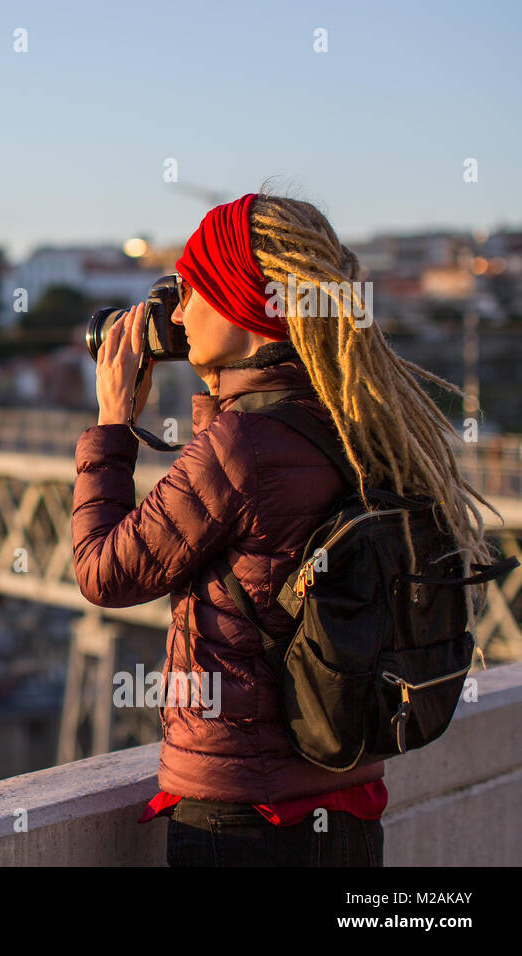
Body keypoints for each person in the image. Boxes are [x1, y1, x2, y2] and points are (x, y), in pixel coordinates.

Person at [72, 189, 494, 866]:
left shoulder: (243, 448)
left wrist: (113, 423)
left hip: (240, 822)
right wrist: (221, 391)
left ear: (242, 304)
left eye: (191, 290)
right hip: (349, 810)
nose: (176, 313)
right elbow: (255, 527)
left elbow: (105, 570)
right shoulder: (363, 421)